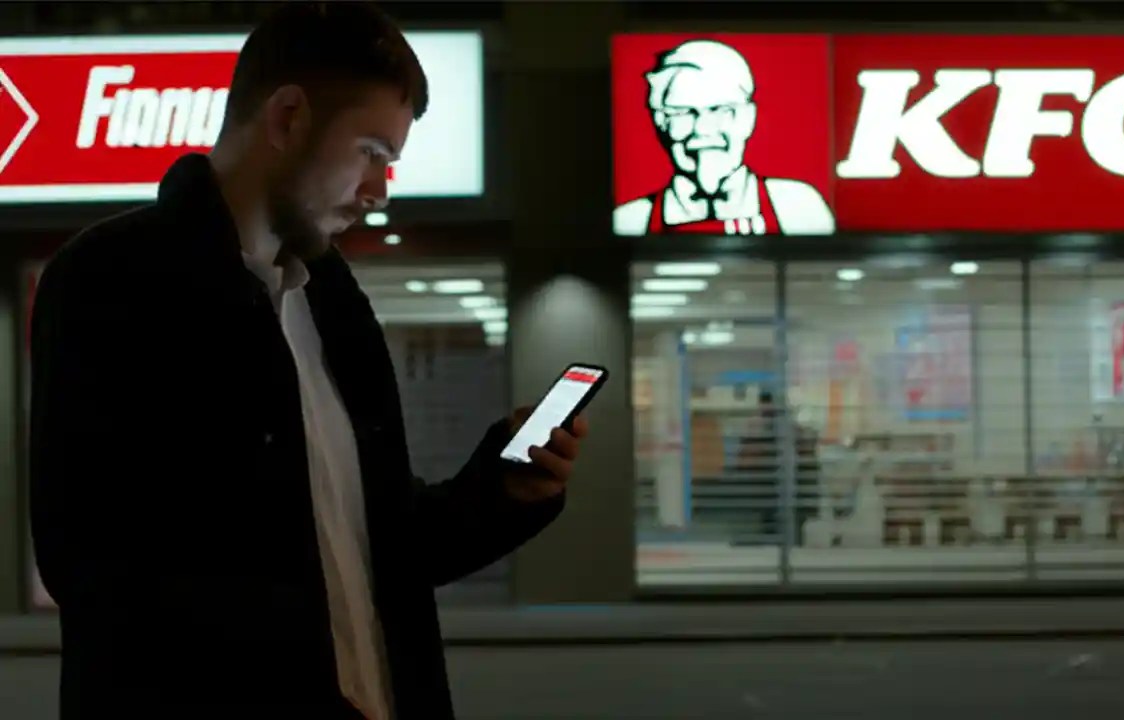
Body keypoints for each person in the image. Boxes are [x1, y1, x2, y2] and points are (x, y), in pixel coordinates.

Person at [27, 3, 585, 718]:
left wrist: (504, 490)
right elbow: (95, 564)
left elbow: (378, 541)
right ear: (288, 117)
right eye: (373, 154)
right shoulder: (111, 278)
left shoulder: (331, 300)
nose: (380, 192)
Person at [613, 39, 836, 236]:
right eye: (683, 112)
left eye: (721, 110)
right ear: (661, 122)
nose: (703, 129)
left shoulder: (798, 206)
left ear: (748, 118)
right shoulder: (631, 219)